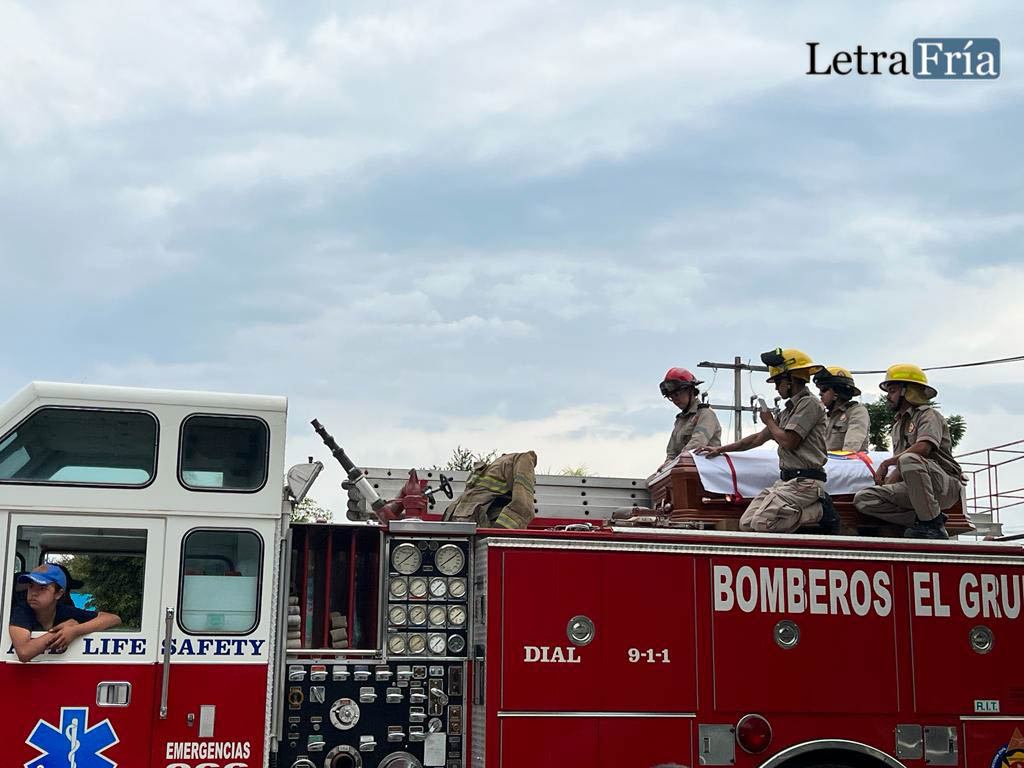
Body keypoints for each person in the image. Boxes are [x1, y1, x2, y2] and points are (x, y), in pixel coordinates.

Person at [701, 348, 836, 534]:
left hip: (806, 482)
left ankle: (819, 511)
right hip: (788, 482)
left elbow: (789, 442)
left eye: (778, 381)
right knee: (747, 523)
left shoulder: (809, 404)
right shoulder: (788, 410)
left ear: (790, 379)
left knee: (762, 524)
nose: (775, 387)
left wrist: (769, 421)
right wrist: (721, 449)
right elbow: (757, 439)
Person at [853, 364, 963, 539]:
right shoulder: (897, 425)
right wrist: (886, 486)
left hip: (942, 485)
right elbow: (903, 467)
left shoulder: (929, 415)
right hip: (914, 487)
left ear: (906, 392)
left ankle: (932, 525)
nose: (888, 397)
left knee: (909, 459)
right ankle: (929, 521)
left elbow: (923, 449)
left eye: (892, 391)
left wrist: (886, 463)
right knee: (864, 499)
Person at [8, 564, 121, 662]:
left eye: (42, 588)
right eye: (31, 586)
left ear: (58, 594)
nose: (33, 593)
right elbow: (24, 652)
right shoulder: (22, 610)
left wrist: (75, 630)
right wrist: (61, 632)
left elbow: (113, 618)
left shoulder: (64, 611)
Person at [660, 368, 722, 466]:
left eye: (677, 394)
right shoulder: (680, 420)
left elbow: (696, 445)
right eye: (671, 397)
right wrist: (667, 465)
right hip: (683, 469)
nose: (675, 400)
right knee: (650, 481)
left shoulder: (705, 413)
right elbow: (671, 452)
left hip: (705, 471)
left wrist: (673, 464)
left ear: (690, 391)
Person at [814, 366, 870, 452]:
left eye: (824, 389)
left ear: (837, 392)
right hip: (828, 464)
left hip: (847, 464)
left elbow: (851, 448)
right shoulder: (824, 417)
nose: (820, 394)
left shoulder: (857, 411)